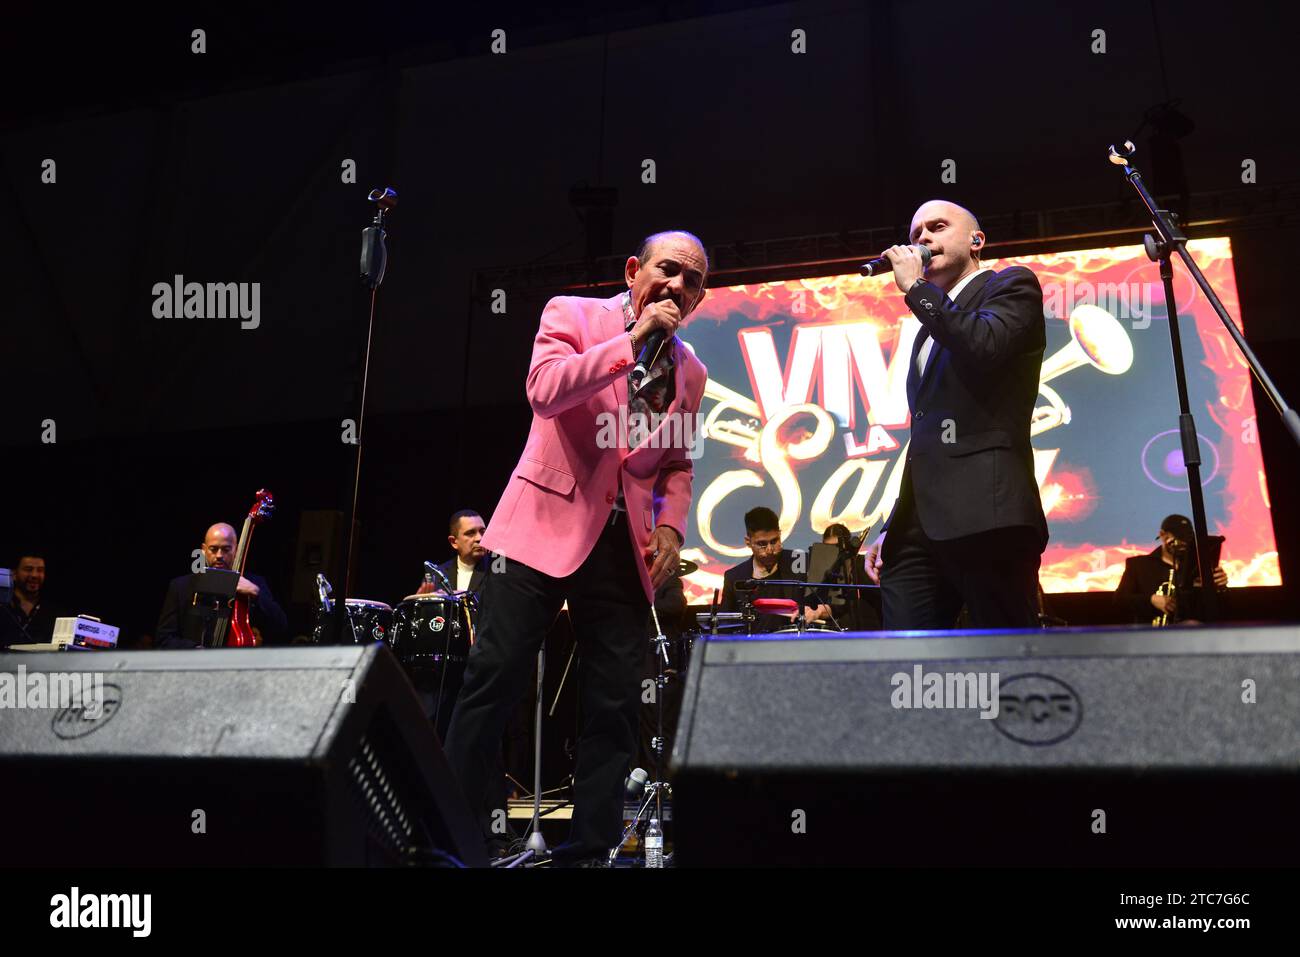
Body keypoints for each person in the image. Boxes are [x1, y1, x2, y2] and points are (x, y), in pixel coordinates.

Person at [443, 230, 710, 866]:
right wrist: (632, 341)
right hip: (539, 524)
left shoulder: (692, 370)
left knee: (617, 699)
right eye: (666, 270)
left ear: (699, 297)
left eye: (690, 280)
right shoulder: (572, 314)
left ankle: (588, 849)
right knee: (494, 679)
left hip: (620, 544)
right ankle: (449, 831)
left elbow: (677, 462)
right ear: (633, 271)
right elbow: (546, 391)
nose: (675, 285)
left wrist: (671, 525)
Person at [863, 200, 1048, 629]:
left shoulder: (1012, 285)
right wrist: (897, 521)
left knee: (1005, 654)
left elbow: (984, 344)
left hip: (988, 514)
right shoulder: (929, 328)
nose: (922, 239)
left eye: (937, 227)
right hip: (917, 529)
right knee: (909, 667)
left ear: (977, 241)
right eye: (914, 235)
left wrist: (916, 290)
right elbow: (926, 435)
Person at [155, 523, 287, 648]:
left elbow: (281, 627)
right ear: (204, 550)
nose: (219, 555)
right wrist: (194, 649)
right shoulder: (180, 586)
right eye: (213, 549)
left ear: (236, 550)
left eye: (226, 549)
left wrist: (256, 593)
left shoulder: (255, 583)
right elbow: (164, 638)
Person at [719, 507, 830, 633]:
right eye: (762, 544)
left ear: (780, 534)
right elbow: (724, 624)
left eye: (774, 541)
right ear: (748, 542)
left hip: (796, 646)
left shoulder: (802, 563)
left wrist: (818, 611)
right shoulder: (734, 577)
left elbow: (833, 606)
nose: (770, 550)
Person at [1116, 514, 1228, 624]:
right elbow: (1119, 600)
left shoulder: (1197, 566)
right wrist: (1151, 600)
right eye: (1179, 537)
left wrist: (1219, 588)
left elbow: (1214, 608)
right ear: (1162, 535)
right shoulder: (1139, 565)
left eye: (1187, 538)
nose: (1184, 542)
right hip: (1149, 636)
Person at [417, 509, 488, 599]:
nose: (479, 538)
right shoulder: (437, 576)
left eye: (482, 532)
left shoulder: (498, 571)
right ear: (454, 542)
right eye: (470, 533)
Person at [3, 552, 63, 647]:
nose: (34, 575)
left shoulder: (55, 612)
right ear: (13, 574)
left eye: (40, 570)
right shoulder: (3, 607)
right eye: (28, 569)